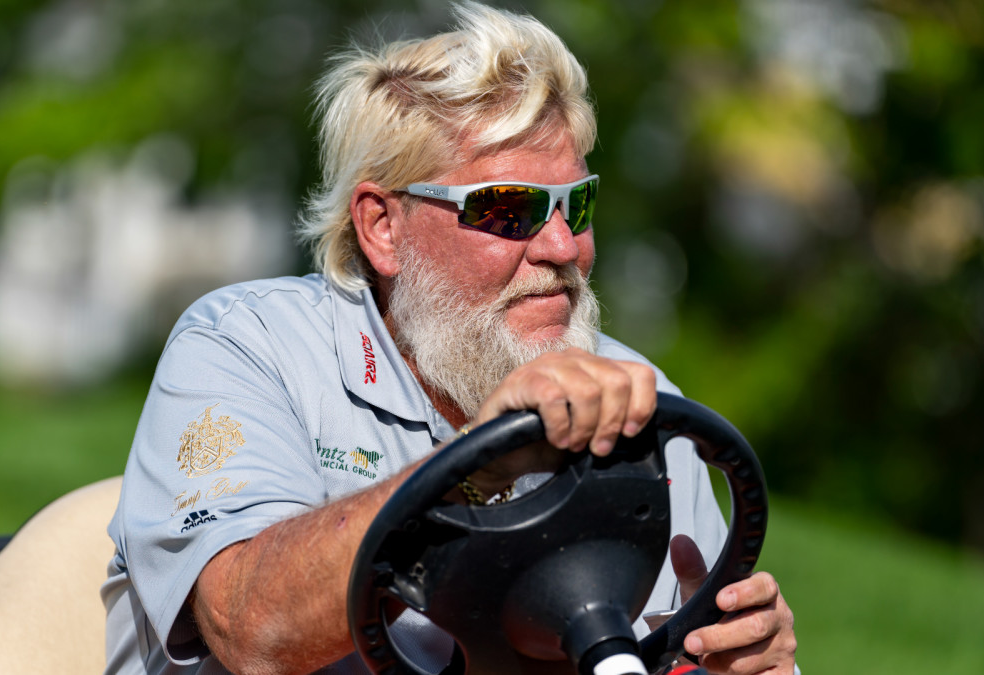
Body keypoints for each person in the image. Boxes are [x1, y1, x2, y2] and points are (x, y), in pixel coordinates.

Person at [101, 3, 797, 674]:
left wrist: (734, 664)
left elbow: (682, 647)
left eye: (576, 204)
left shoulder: (641, 397)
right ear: (382, 227)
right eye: (507, 209)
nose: (561, 245)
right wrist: (474, 464)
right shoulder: (247, 345)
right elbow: (250, 629)